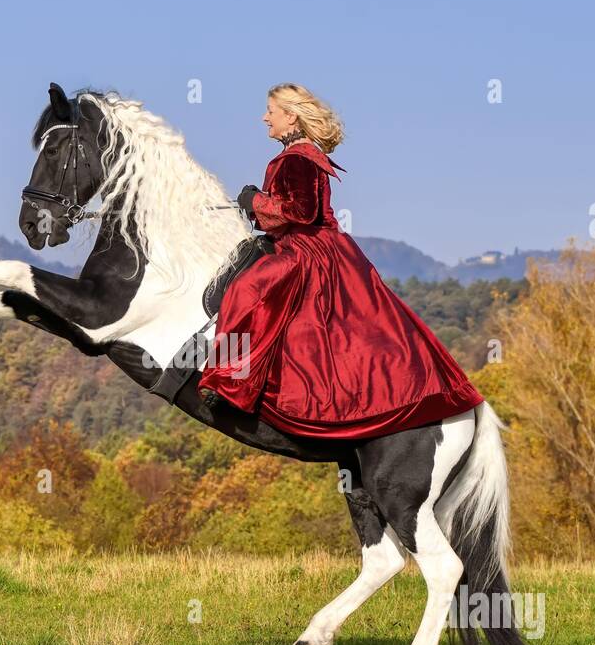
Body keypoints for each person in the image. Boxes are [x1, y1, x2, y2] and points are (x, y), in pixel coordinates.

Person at [197, 83, 484, 439]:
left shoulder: (296, 159)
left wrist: (254, 201)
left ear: (291, 116)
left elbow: (301, 212)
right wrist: (253, 205)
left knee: (245, 291)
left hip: (306, 250)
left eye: (270, 111)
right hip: (315, 246)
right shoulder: (300, 155)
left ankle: (230, 382)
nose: (264, 118)